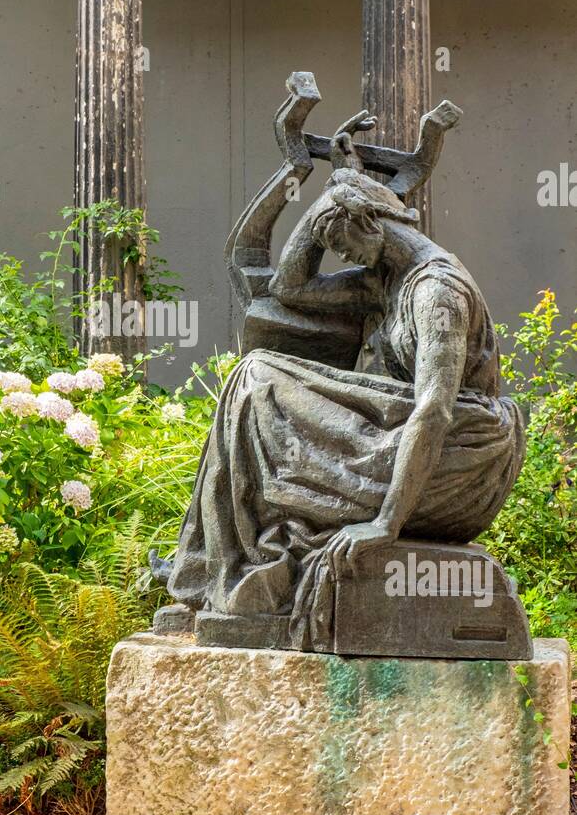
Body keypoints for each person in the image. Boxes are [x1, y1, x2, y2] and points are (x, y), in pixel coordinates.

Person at [166, 162, 525, 652]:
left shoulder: (437, 292)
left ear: (370, 222)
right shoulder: (386, 281)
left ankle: (225, 569)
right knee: (253, 380)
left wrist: (386, 524)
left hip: (461, 452)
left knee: (258, 380)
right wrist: (327, 199)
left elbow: (435, 411)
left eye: (341, 242)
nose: (341, 256)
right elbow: (290, 288)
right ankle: (210, 568)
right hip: (407, 428)